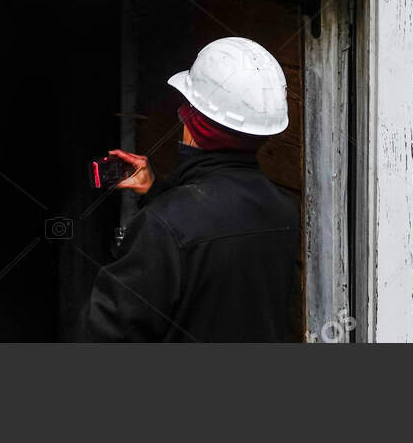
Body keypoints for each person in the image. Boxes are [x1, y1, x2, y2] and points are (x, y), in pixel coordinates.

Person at [79, 36, 300, 342]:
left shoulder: (162, 225)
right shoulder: (284, 211)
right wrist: (156, 192)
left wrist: (161, 212)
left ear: (194, 125)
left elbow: (107, 335)